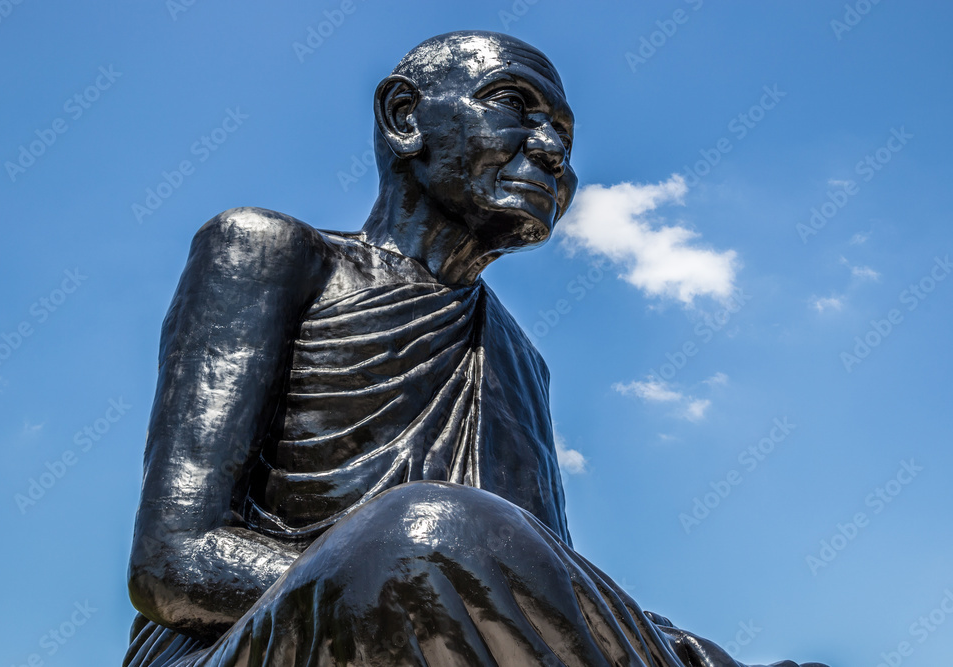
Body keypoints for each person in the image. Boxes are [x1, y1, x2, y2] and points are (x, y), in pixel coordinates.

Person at [125, 31, 828, 667]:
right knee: (427, 528)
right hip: (244, 639)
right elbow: (173, 562)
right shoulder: (270, 251)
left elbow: (540, 582)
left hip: (442, 600)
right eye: (513, 105)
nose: (551, 150)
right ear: (405, 118)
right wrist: (412, 568)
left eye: (563, 135)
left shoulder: (517, 356)